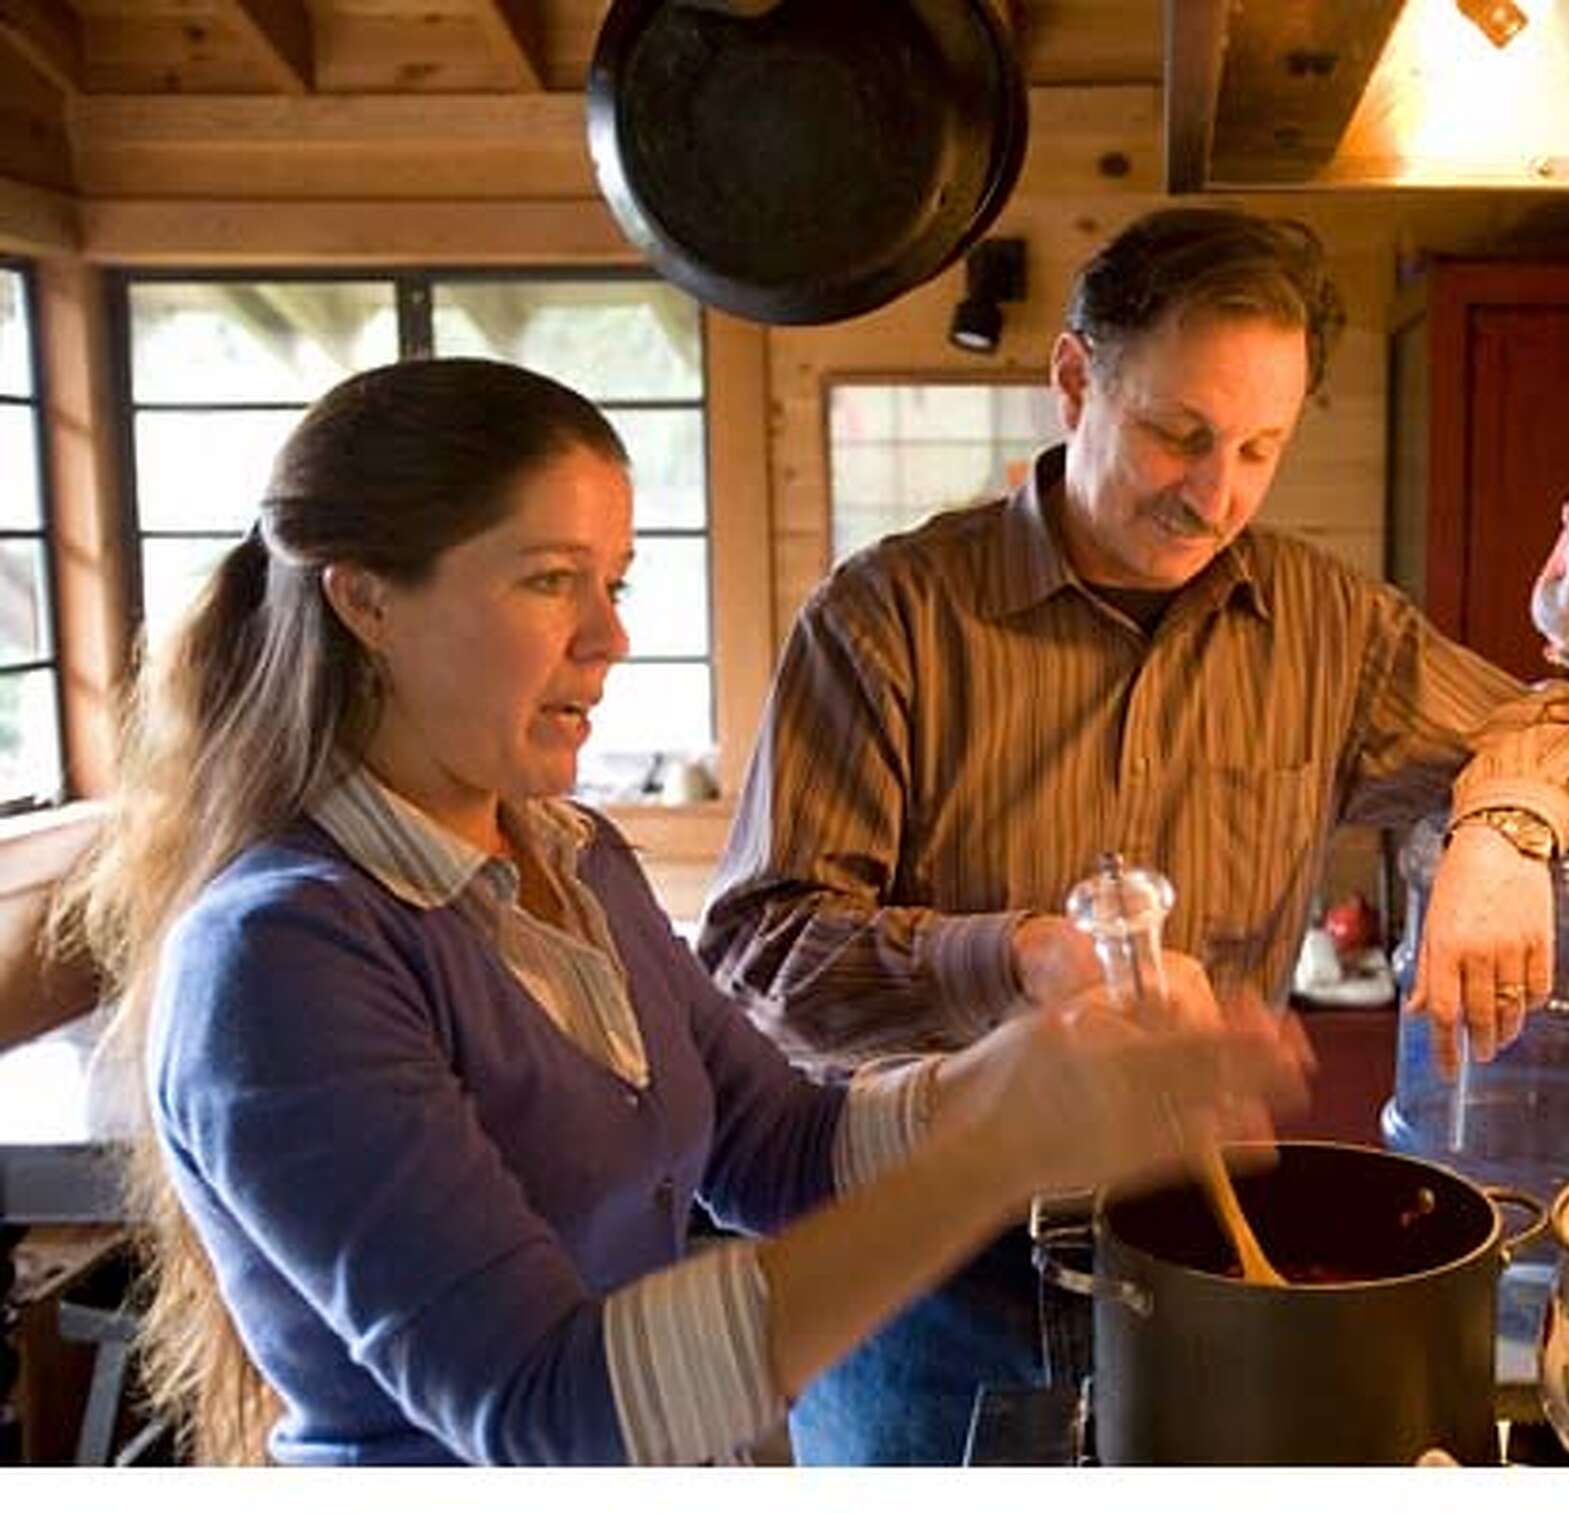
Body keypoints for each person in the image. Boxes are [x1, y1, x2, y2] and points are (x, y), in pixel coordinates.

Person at [52, 357, 1304, 1466]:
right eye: (551, 581)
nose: (609, 636)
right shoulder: (284, 955)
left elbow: (778, 1147)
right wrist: (998, 1151)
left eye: (614, 582)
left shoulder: (575, 859)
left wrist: (1029, 1068)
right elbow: (549, 1411)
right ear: (366, 601)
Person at [697, 206, 1569, 1464]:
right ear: (1074, 380)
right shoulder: (887, 621)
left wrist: (1501, 827)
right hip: (921, 1271)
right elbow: (760, 956)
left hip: (1200, 1255)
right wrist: (1016, 958)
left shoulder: (1326, 627)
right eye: (1177, 434)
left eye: (1260, 447)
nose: (1215, 496)